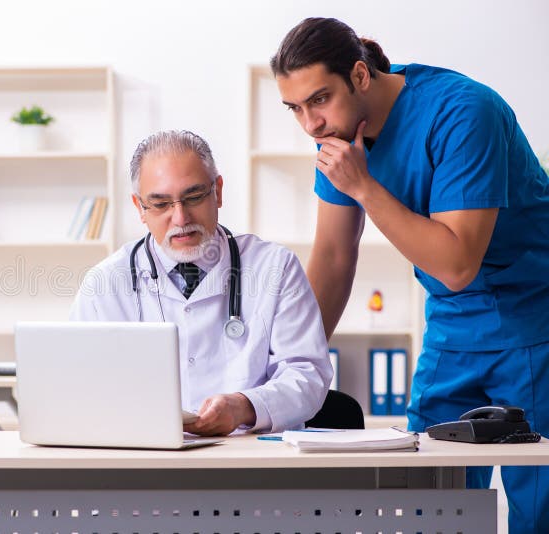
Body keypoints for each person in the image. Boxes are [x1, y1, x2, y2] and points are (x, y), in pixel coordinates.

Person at [271, 17, 549, 533]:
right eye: (295, 108)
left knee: (537, 511)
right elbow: (333, 256)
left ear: (359, 75)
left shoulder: (464, 112)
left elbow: (457, 264)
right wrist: (290, 369)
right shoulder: (336, 133)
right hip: (452, 327)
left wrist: (363, 186)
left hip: (533, 322)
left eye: (319, 99)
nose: (310, 123)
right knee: (429, 504)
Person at [70, 129, 332, 436]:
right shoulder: (104, 284)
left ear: (217, 191)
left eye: (193, 197)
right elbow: (78, 386)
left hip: (250, 455)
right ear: (140, 207)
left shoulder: (275, 267)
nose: (181, 218)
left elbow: (307, 375)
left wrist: (243, 406)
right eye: (161, 204)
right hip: (147, 455)